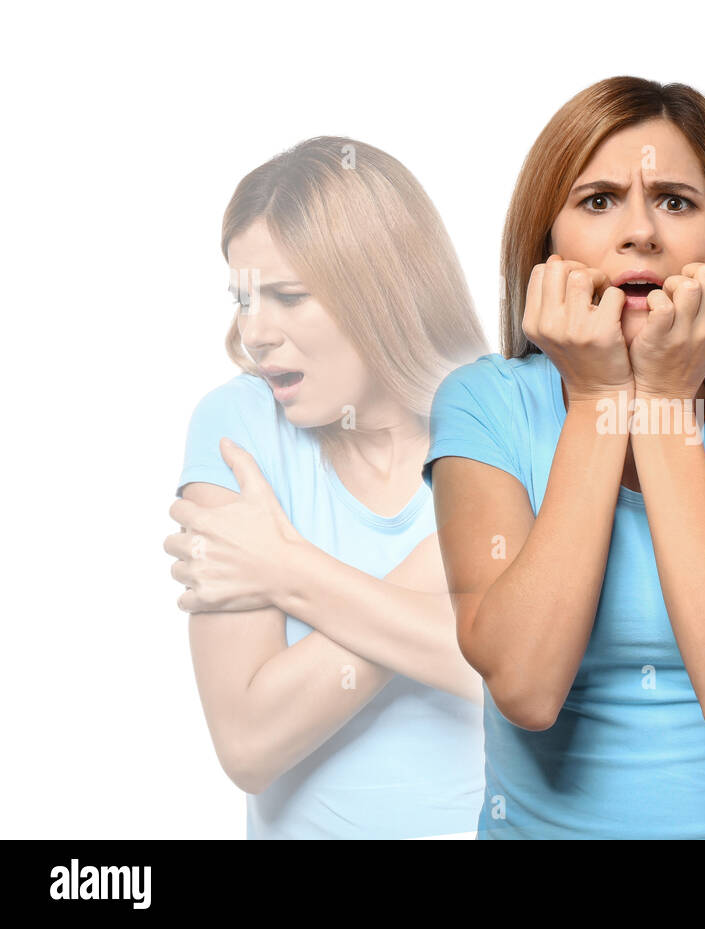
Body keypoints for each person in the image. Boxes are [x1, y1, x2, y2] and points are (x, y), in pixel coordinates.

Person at [428, 77, 705, 838]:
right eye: (597, 201)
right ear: (546, 246)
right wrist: (598, 402)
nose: (640, 234)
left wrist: (660, 395)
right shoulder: (481, 401)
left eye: (676, 201)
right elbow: (525, 687)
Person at [166, 136, 488, 838]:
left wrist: (288, 569)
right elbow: (248, 742)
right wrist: (444, 570)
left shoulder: (504, 420)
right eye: (245, 299)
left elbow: (527, 682)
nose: (254, 332)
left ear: (383, 292)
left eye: (287, 297)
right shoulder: (237, 429)